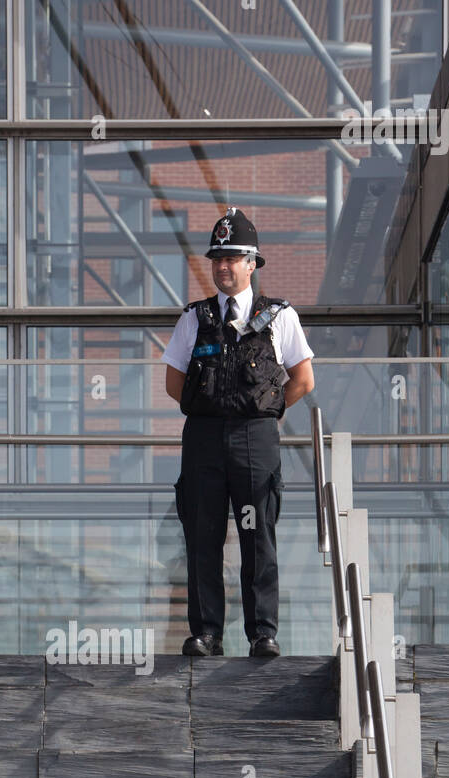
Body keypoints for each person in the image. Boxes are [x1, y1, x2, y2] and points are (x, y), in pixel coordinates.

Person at [162, 207, 315, 658]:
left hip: (256, 438)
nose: (222, 267)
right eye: (217, 259)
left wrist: (264, 410)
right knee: (203, 535)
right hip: (205, 439)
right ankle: (207, 633)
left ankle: (262, 633)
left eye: (232, 258)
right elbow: (173, 383)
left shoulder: (280, 316)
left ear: (253, 263)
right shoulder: (195, 318)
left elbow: (303, 380)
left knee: (258, 535)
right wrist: (217, 413)